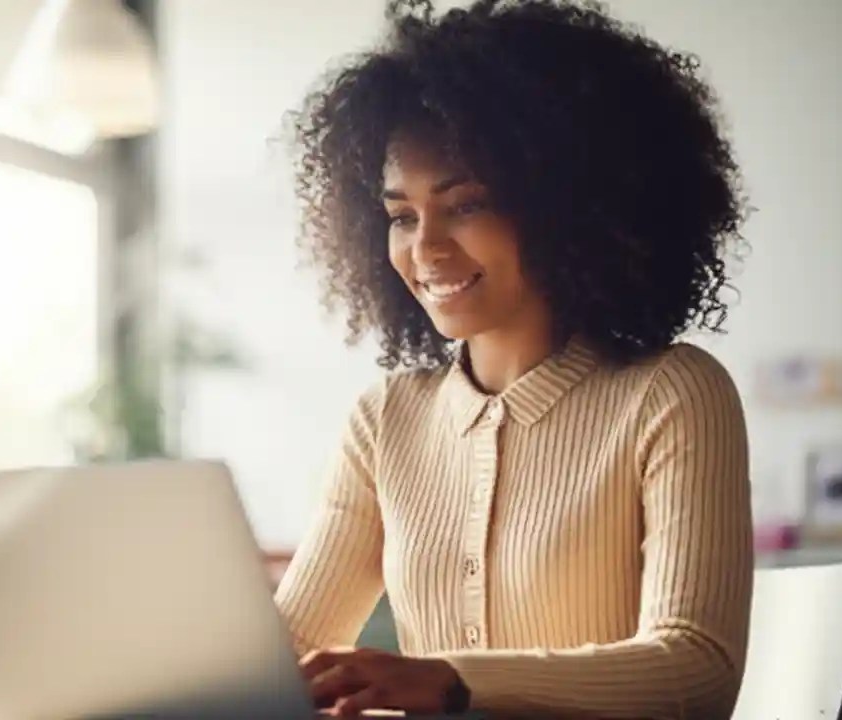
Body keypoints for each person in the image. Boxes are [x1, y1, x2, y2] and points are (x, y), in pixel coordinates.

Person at [273, 0, 753, 717]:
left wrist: (449, 681)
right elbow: (286, 662)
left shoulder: (672, 392)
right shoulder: (385, 421)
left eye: (466, 205)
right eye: (401, 216)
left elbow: (696, 669)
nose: (425, 248)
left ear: (568, 206)